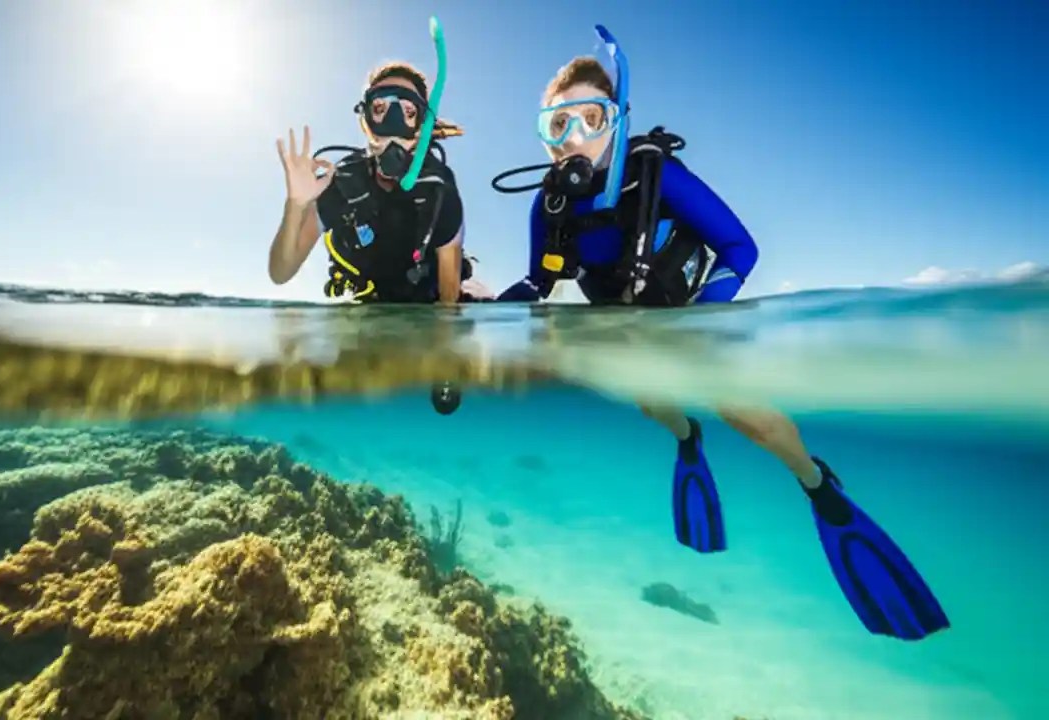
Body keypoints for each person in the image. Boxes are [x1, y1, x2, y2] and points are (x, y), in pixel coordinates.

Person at [490, 37, 949, 641]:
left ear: (615, 123)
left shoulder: (658, 176)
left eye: (591, 119)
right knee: (655, 404)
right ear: (544, 136)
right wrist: (489, 320)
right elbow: (537, 281)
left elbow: (741, 248)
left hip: (690, 317)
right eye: (557, 124)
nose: (573, 136)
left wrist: (702, 322)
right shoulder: (549, 208)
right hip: (622, 330)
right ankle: (687, 436)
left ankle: (816, 483)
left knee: (748, 417)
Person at [269, 62, 471, 304]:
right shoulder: (341, 185)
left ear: (421, 128)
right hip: (367, 298)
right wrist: (296, 206)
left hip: (425, 295)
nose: (393, 125)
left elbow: (448, 306)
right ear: (365, 122)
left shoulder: (439, 191)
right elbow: (280, 273)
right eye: (379, 108)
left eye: (408, 112)